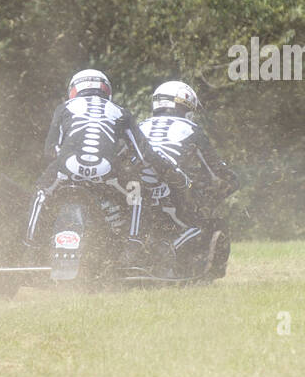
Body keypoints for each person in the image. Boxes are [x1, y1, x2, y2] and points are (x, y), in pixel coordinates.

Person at [26, 69, 190, 258]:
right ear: (106, 90)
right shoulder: (121, 112)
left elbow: (51, 150)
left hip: (67, 169)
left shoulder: (63, 108)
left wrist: (63, 164)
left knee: (40, 193)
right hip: (107, 173)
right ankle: (132, 248)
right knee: (137, 195)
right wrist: (174, 175)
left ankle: (30, 247)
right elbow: (144, 155)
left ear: (74, 90)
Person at [138, 81, 239, 273]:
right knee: (206, 224)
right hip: (170, 192)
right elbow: (218, 171)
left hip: (134, 191)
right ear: (185, 105)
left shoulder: (140, 125)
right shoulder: (191, 128)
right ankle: (174, 253)